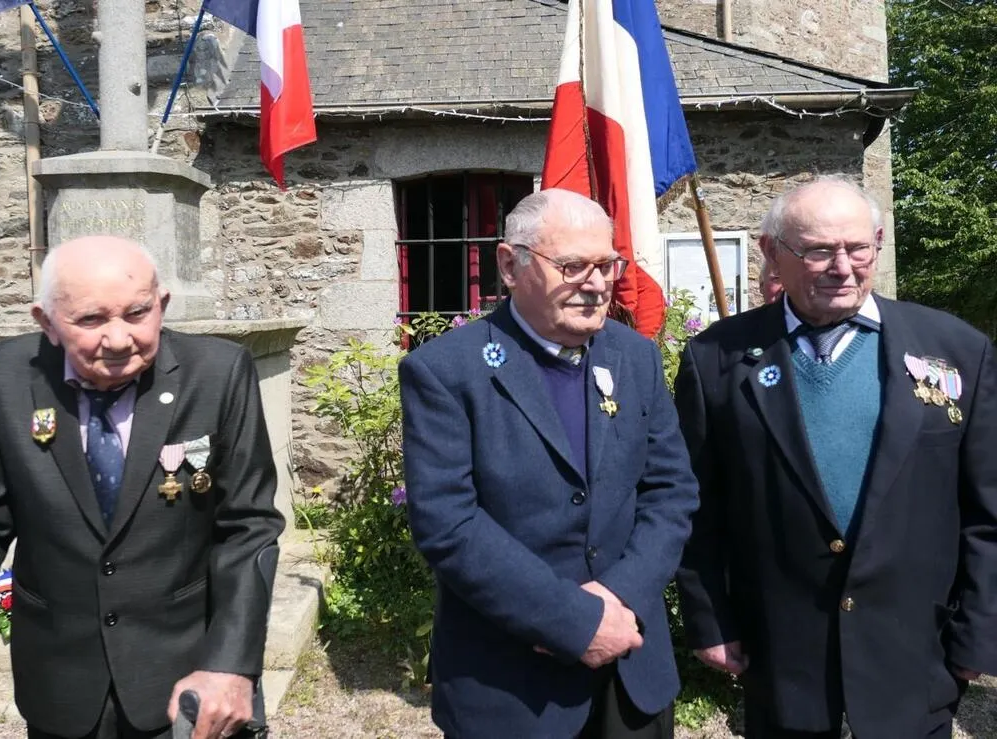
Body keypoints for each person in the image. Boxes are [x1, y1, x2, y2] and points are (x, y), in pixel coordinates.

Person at [674, 176, 997, 739]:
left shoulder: (957, 351)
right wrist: (709, 620)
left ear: (877, 241)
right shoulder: (715, 360)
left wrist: (979, 633)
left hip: (914, 661)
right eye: (818, 250)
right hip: (782, 664)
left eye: (858, 248)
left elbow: (987, 512)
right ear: (771, 252)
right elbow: (697, 509)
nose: (842, 267)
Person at [399, 188, 699, 738]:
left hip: (631, 673)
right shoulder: (445, 370)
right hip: (511, 688)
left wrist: (620, 597)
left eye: (607, 264)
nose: (596, 282)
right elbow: (448, 523)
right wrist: (571, 620)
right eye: (572, 266)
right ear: (510, 266)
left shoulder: (635, 357)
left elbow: (671, 491)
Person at [0, 236, 285, 739]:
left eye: (137, 314)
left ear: (160, 304)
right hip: (61, 683)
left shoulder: (218, 373)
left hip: (187, 680)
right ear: (46, 322)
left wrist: (231, 664)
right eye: (91, 320)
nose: (118, 340)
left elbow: (248, 527)